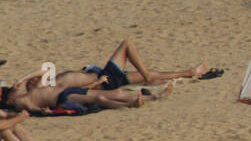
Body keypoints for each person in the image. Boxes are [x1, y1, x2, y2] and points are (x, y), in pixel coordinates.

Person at [49, 38, 207, 91]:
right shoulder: (53, 89)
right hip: (105, 81)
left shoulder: (52, 81)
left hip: (101, 76)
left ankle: (189, 72)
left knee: (147, 72)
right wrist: (96, 83)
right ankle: (149, 79)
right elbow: (72, 95)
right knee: (127, 44)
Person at [2, 74, 172, 115]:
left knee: (116, 92)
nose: (16, 89)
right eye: (12, 91)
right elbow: (32, 110)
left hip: (68, 91)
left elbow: (42, 71)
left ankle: (154, 97)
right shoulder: (19, 102)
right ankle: (129, 104)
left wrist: (23, 79)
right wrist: (48, 112)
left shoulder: (30, 90)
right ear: (9, 99)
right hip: (63, 98)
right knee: (100, 98)